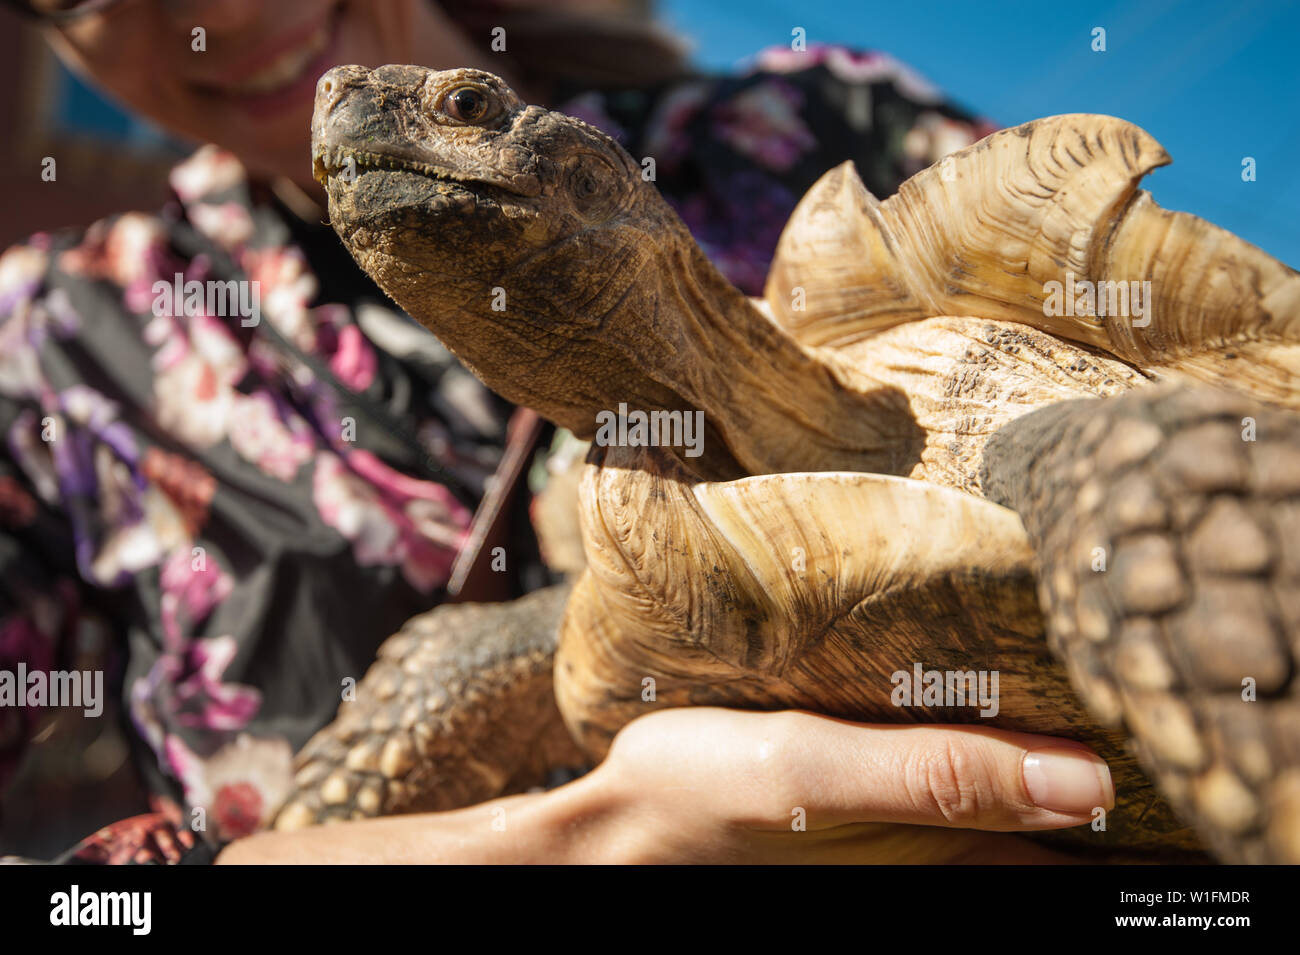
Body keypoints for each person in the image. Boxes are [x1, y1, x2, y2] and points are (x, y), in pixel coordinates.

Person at [0, 0, 1111, 864]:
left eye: (463, 114)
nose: (227, 12)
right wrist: (553, 844)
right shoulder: (52, 352)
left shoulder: (833, 144)